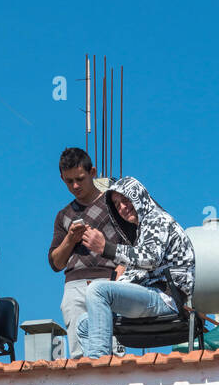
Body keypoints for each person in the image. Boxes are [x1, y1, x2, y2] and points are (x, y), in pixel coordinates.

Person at [76, 176, 195, 358]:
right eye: (116, 204)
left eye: (125, 199)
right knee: (83, 324)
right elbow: (138, 270)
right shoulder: (141, 233)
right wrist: (115, 285)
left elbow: (150, 258)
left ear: (138, 196)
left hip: (166, 298)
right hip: (148, 296)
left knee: (98, 291)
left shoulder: (157, 219)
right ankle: (110, 375)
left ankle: (97, 365)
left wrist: (106, 248)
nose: (122, 207)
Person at [47, 147, 122, 357]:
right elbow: (55, 263)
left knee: (114, 352)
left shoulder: (116, 206)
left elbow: (132, 248)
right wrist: (70, 239)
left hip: (108, 282)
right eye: (69, 181)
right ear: (62, 178)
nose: (75, 186)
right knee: (80, 355)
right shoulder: (64, 215)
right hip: (75, 286)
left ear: (93, 172)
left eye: (80, 179)